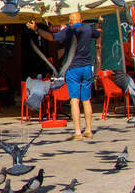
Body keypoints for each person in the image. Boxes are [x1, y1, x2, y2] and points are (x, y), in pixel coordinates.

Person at [35, 11, 100, 139]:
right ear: (81, 19)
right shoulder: (88, 28)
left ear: (70, 21)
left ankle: (77, 132)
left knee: (74, 100)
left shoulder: (68, 30)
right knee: (86, 100)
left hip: (73, 68)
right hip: (87, 67)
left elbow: (50, 37)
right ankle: (88, 130)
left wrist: (36, 29)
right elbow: (98, 33)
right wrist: (100, 23)